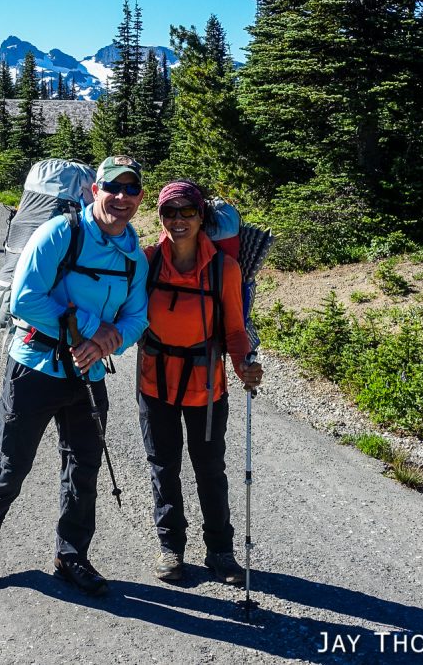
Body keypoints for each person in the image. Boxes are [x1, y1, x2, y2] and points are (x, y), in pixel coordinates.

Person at [0, 155, 150, 597]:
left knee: (83, 467)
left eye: (131, 189)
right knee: (11, 464)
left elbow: (137, 318)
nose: (121, 197)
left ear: (140, 197)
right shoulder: (60, 233)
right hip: (34, 366)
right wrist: (92, 329)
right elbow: (25, 300)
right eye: (113, 187)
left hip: (87, 372)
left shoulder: (134, 256)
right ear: (94, 191)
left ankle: (71, 555)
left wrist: (108, 342)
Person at [137, 179, 263, 585]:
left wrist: (245, 361)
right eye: (169, 212)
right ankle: (171, 548)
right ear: (160, 217)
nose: (178, 220)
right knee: (164, 466)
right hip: (154, 382)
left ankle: (220, 552)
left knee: (210, 469)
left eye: (187, 212)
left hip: (207, 387)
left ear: (201, 216)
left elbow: (234, 328)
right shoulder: (148, 260)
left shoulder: (224, 268)